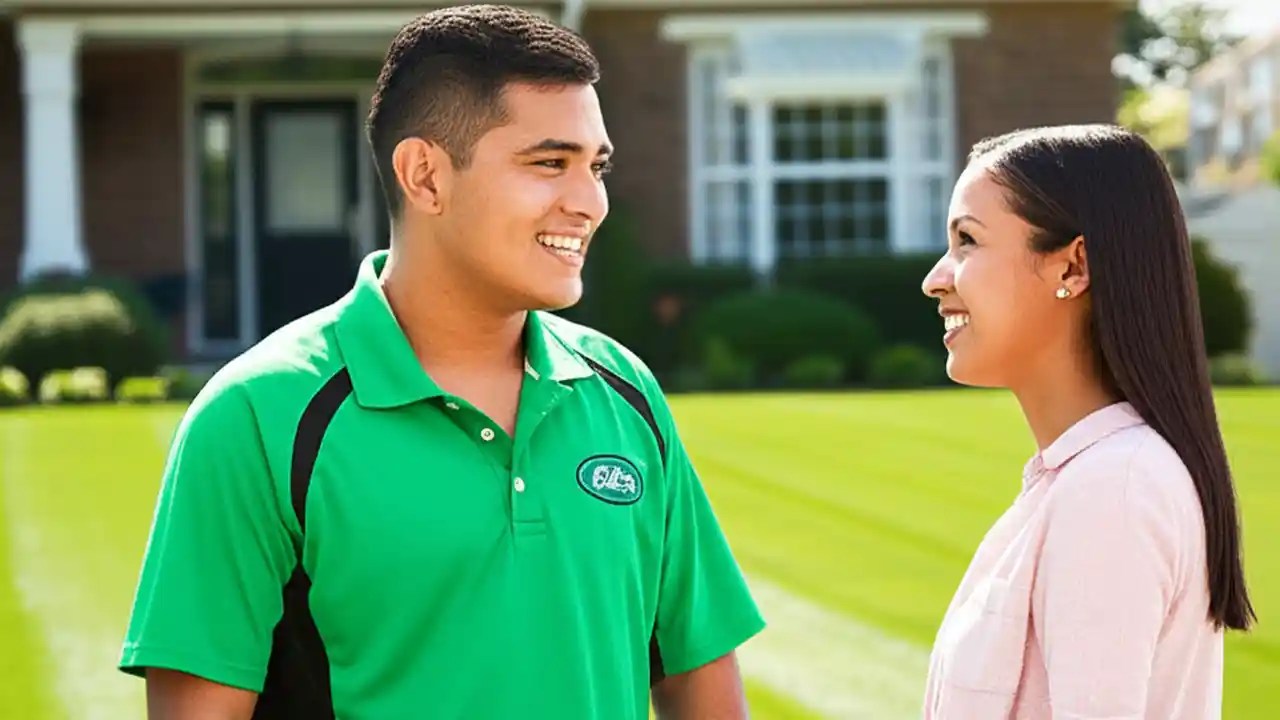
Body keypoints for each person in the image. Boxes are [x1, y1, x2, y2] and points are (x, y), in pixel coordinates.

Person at [118, 6, 764, 719]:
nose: (590, 203)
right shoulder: (256, 417)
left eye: (596, 167)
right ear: (424, 176)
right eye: (550, 163)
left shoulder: (624, 392)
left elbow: (700, 683)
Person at [920, 124, 1255, 719]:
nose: (935, 279)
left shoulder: (1113, 487)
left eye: (967, 240)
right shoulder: (1091, 478)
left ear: (1073, 267)